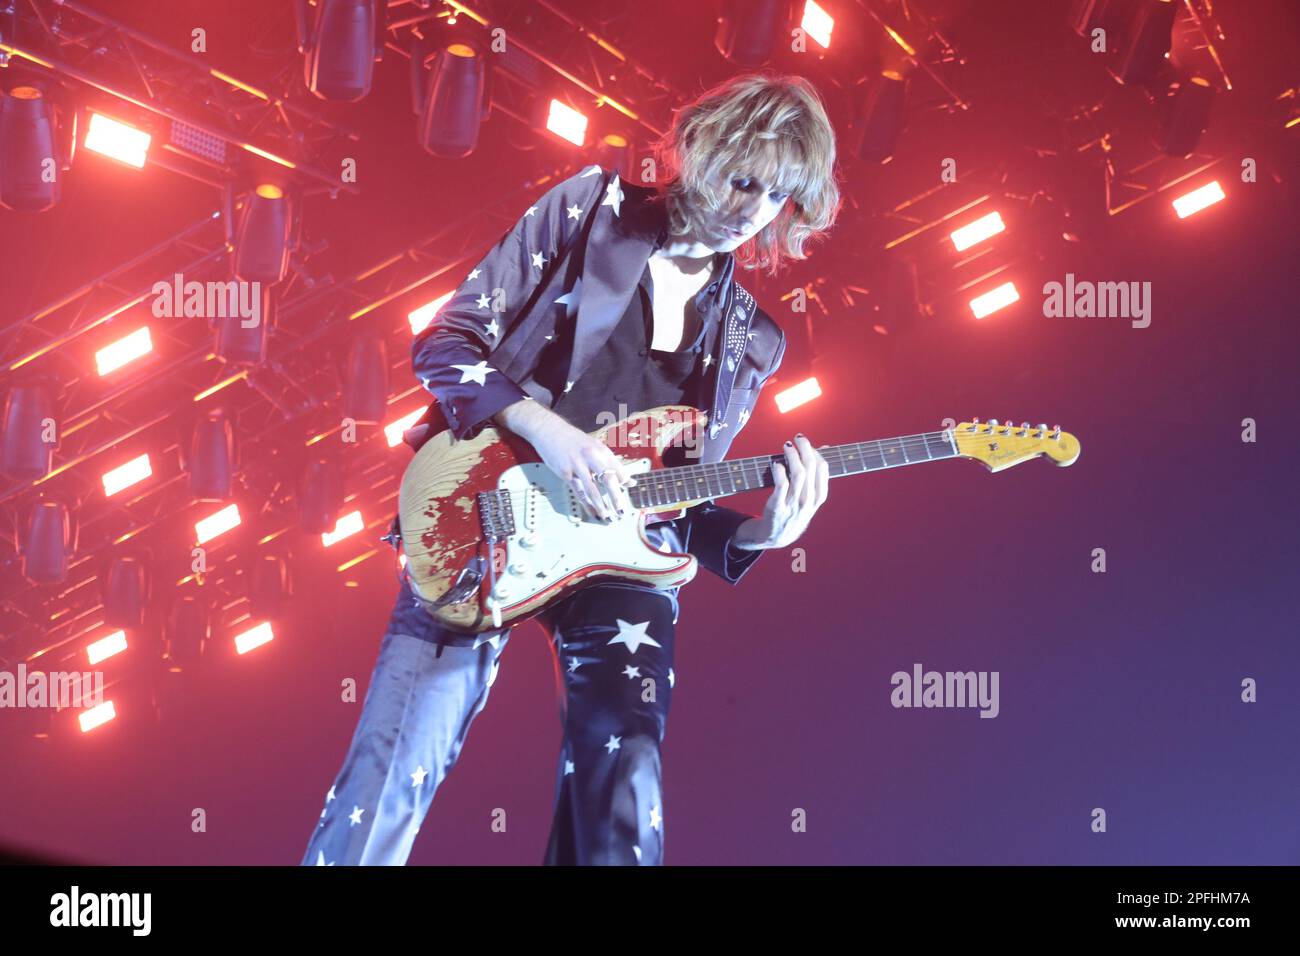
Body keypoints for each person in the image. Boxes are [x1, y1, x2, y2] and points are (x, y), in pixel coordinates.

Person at [302, 72, 842, 866]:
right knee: (390, 773)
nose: (753, 211)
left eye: (777, 198)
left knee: (626, 775)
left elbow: (677, 502)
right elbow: (446, 347)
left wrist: (762, 531)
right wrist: (549, 432)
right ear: (699, 148)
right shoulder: (591, 211)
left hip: (617, 563)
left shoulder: (750, 340)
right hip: (481, 510)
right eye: (744, 179)